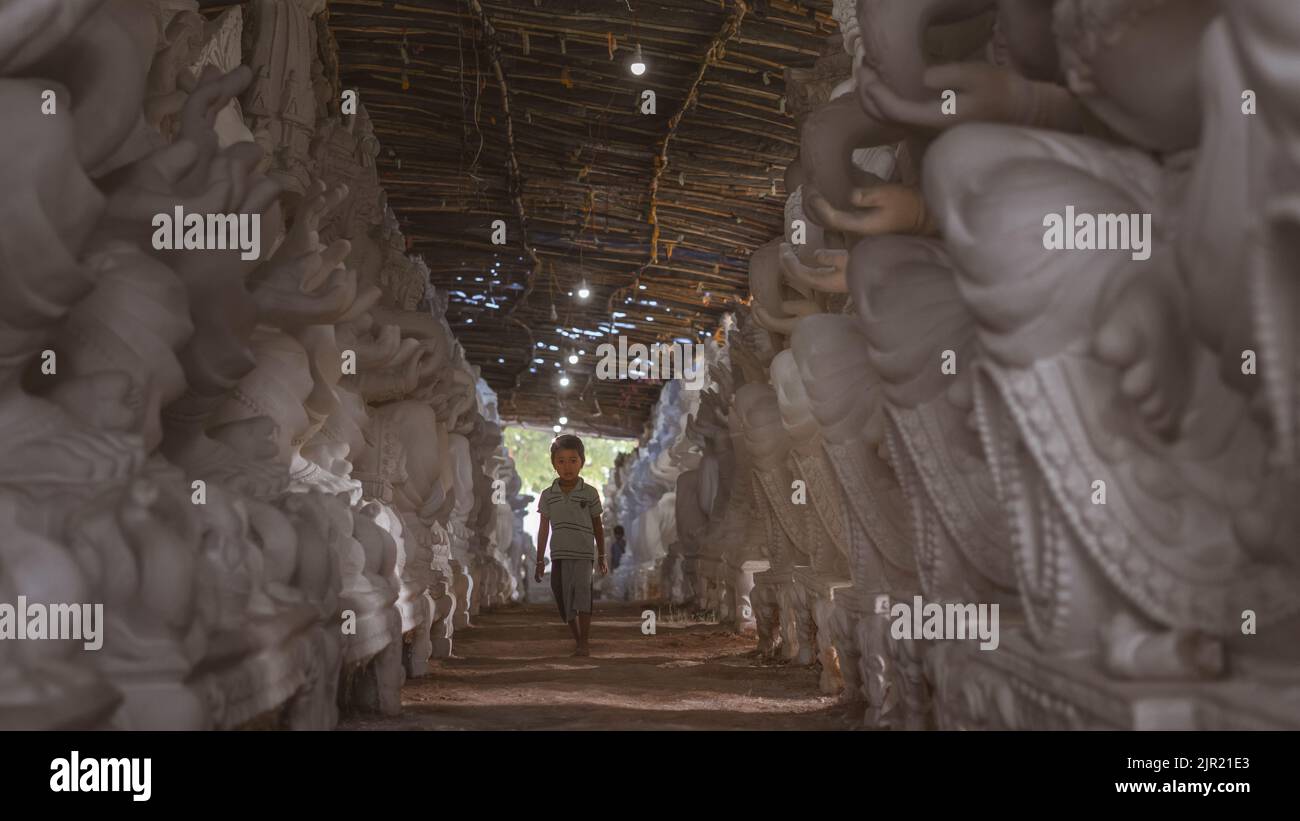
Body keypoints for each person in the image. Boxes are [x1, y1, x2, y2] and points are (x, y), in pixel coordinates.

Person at [534, 434, 607, 656]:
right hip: (559, 554)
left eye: (573, 460)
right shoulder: (548, 495)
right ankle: (577, 638)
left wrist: (602, 556)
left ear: (582, 462)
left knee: (583, 596)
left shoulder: (590, 492)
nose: (567, 466)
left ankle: (583, 642)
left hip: (584, 553)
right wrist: (539, 560)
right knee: (563, 597)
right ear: (554, 464)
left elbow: (598, 526)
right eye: (561, 461)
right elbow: (544, 529)